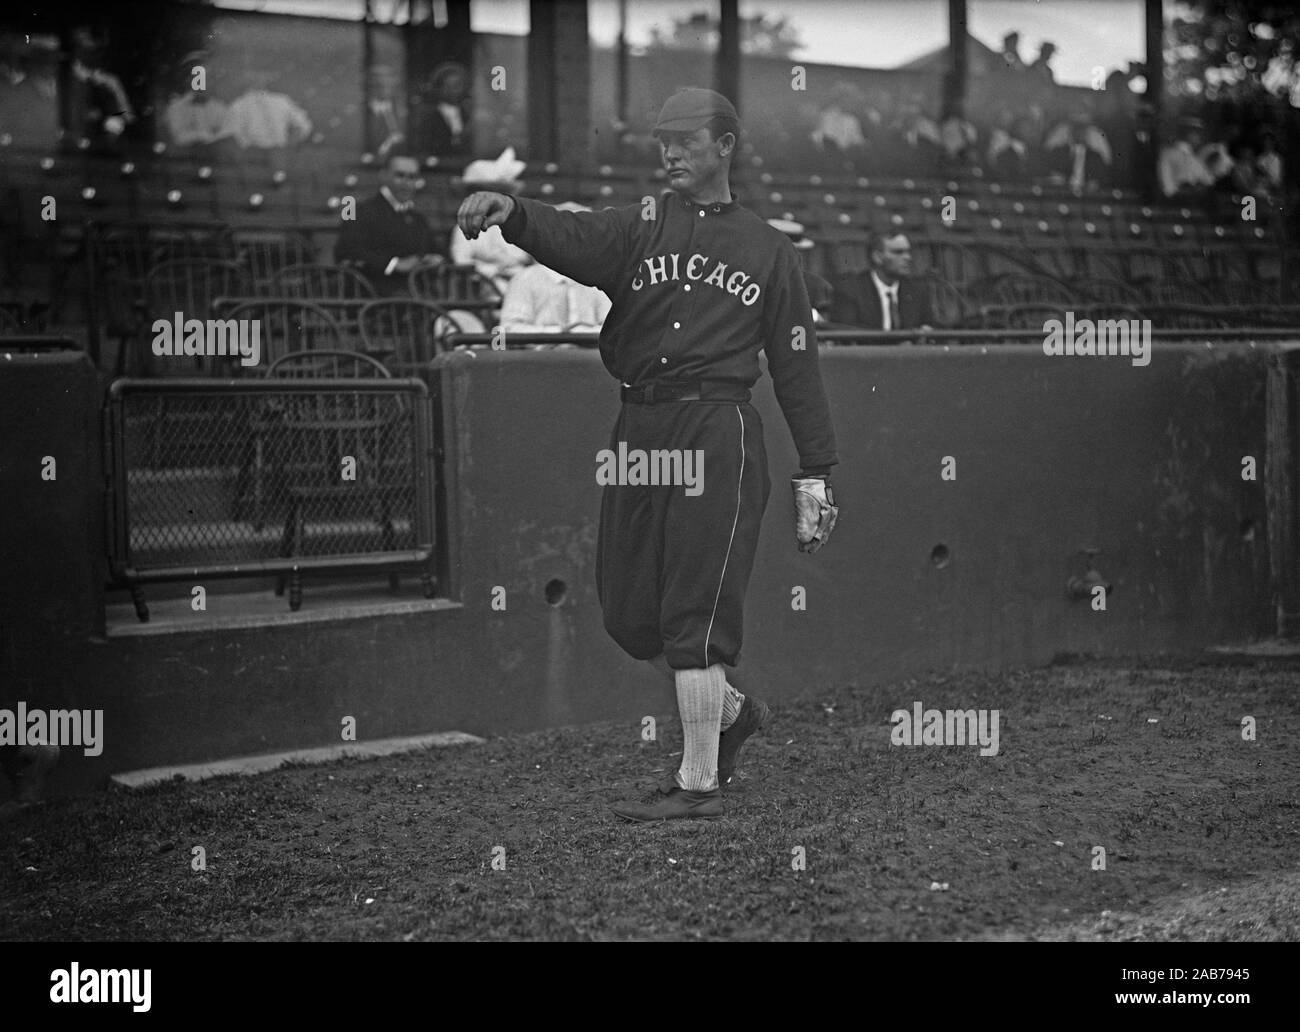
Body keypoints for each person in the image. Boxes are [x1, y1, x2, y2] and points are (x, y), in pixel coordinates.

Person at [456, 87, 840, 822]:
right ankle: (729, 715)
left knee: (695, 609)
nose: (669, 154)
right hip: (641, 426)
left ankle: (698, 784)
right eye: (662, 141)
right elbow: (574, 238)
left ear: (724, 145)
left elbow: (796, 367)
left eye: (685, 141)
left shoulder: (768, 248)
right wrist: (516, 212)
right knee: (631, 613)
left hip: (717, 426)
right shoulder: (641, 225)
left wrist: (816, 470)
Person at [335, 152, 444, 294]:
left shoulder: (419, 219)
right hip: (374, 296)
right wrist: (394, 264)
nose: (406, 183)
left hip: (416, 296)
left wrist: (434, 259)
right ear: (384, 176)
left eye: (412, 177)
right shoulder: (357, 210)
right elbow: (345, 251)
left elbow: (432, 250)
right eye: (400, 175)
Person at [499, 205, 611, 335]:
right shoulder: (526, 278)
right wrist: (559, 332)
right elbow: (510, 328)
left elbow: (614, 329)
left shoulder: (600, 277)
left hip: (589, 353)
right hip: (541, 353)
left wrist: (581, 335)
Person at [450, 148, 532, 294]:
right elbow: (461, 261)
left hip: (521, 279)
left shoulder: (513, 224)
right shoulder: (465, 227)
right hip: (487, 284)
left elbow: (525, 256)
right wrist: (493, 270)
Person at [828, 228, 932, 334]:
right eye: (898, 252)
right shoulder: (850, 290)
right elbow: (847, 337)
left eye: (908, 252)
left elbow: (930, 326)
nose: (908, 257)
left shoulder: (917, 290)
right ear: (877, 257)